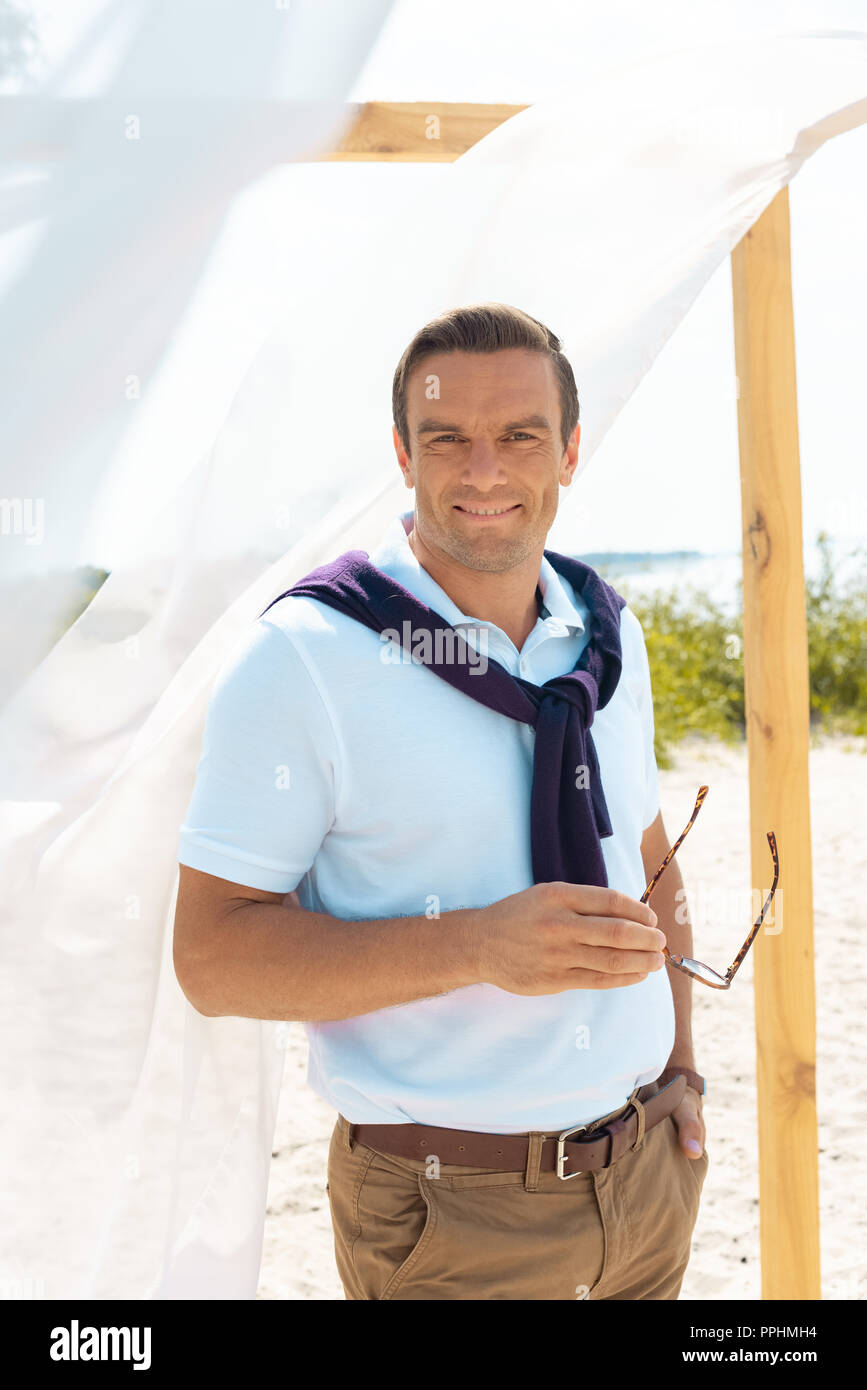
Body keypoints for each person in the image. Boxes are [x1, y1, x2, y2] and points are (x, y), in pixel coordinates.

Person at [172, 301, 708, 1301]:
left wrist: (684, 1068)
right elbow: (212, 958)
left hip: (648, 1190)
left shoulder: (605, 631)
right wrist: (475, 947)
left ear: (571, 451)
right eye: (447, 439)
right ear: (402, 453)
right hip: (448, 1213)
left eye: (520, 437)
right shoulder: (304, 657)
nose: (486, 472)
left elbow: (648, 855)